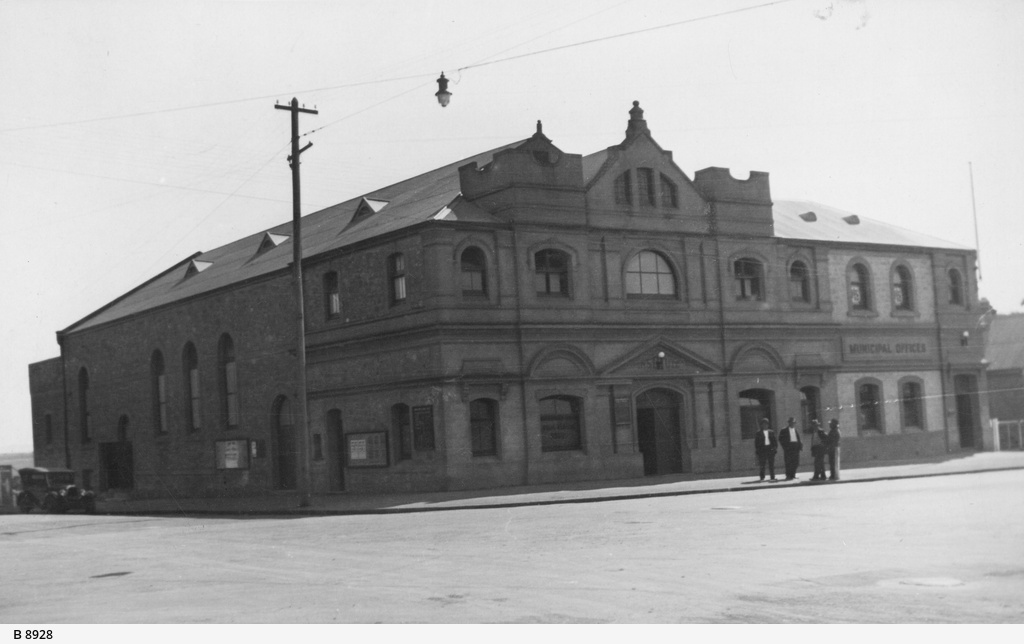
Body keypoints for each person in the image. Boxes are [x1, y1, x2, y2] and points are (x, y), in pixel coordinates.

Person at [753, 417, 778, 482]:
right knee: (762, 464)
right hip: (762, 450)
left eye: (766, 424)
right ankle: (762, 477)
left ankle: (772, 477)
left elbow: (774, 441)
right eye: (763, 424)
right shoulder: (758, 433)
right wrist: (758, 450)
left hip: (770, 449)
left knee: (771, 464)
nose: (765, 425)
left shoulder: (771, 432)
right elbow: (756, 443)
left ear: (768, 425)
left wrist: (774, 449)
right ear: (761, 425)